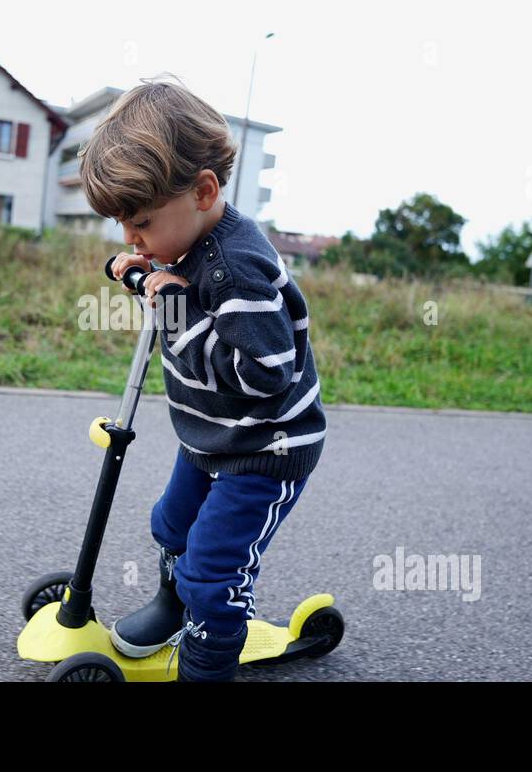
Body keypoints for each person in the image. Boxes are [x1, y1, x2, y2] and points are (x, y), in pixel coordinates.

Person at [78, 75, 327, 682]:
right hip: (210, 436)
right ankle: (172, 605)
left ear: (204, 190)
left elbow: (265, 375)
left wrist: (176, 309)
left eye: (139, 221)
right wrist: (154, 279)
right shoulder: (184, 241)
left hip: (264, 449)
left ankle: (206, 665)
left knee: (214, 569)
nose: (131, 238)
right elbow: (184, 309)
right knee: (171, 524)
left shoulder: (237, 270)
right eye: (121, 225)